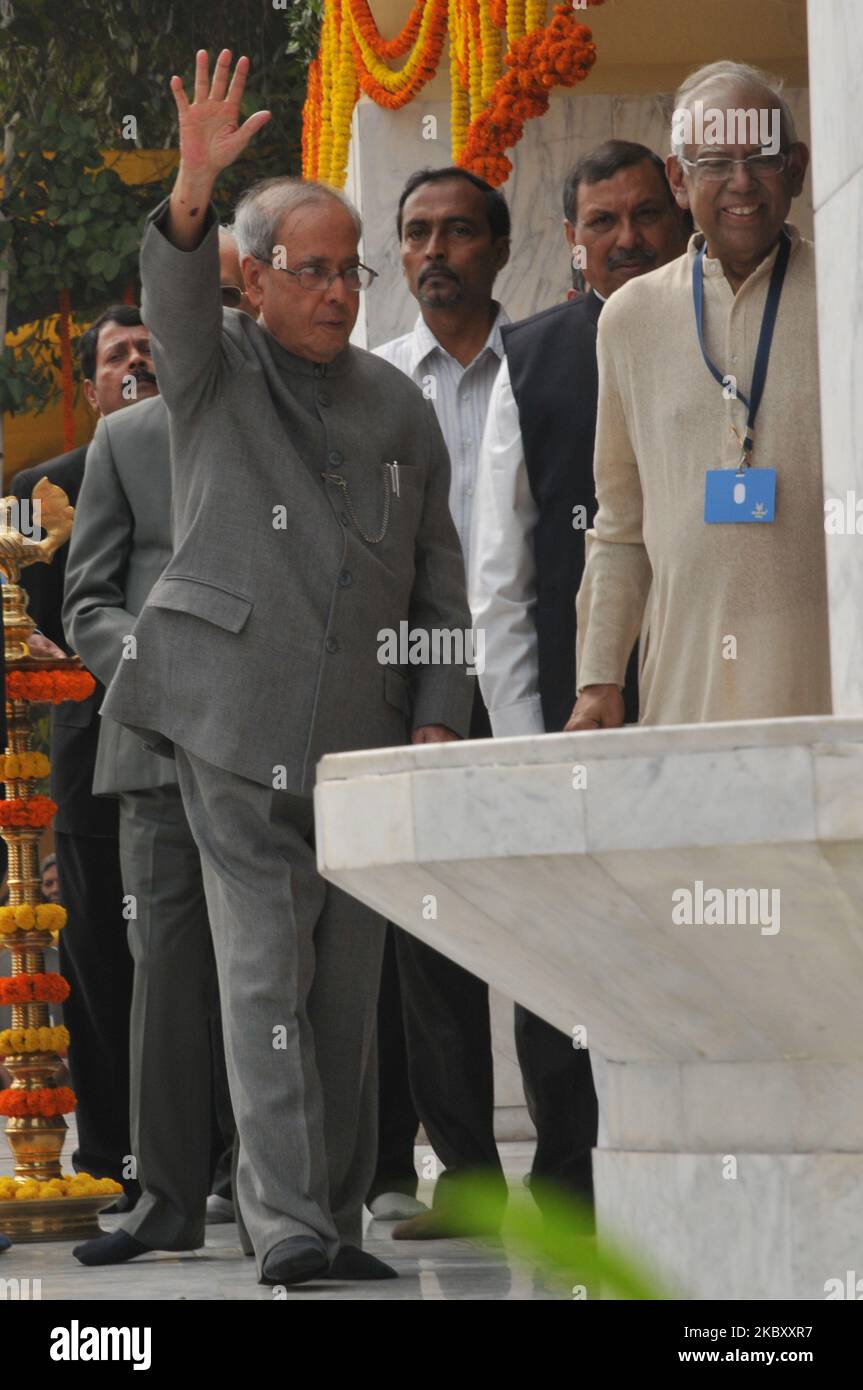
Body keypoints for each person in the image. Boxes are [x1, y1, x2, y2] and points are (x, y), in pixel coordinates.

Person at [100, 49, 473, 1287]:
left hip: (362, 730)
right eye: (309, 270)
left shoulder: (395, 405)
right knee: (265, 966)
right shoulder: (214, 367)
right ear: (252, 279)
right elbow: (170, 292)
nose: (336, 292)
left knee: (344, 988)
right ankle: (290, 1227)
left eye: (348, 269)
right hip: (231, 718)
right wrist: (190, 192)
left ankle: (335, 1222)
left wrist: (434, 709)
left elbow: (439, 578)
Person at [469, 140, 690, 1211]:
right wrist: (523, 746)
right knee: (568, 960)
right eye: (601, 222)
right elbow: (499, 579)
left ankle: (686, 1177)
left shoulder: (721, 331)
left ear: (679, 213)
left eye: (645, 214)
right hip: (572, 716)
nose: (626, 239)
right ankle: (568, 1191)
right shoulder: (530, 357)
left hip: (699, 702)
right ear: (568, 239)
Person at [62, 236, 254, 1268]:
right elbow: (88, 598)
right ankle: (165, 1199)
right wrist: (158, 667)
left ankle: (289, 1200)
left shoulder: (291, 417)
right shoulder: (125, 440)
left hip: (274, 748)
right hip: (157, 749)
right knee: (166, 976)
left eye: (223, 296)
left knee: (278, 975)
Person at [567, 62, 829, 734]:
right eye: (714, 162)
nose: (740, 182)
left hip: (834, 699)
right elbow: (620, 527)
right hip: (687, 704)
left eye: (761, 157)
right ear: (679, 180)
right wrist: (598, 680)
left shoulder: (846, 293)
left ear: (796, 169)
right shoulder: (629, 318)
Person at [371, 166, 512, 1236]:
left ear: (497, 247)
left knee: (563, 919)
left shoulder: (546, 362)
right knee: (429, 941)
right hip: (418, 679)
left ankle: (575, 1173)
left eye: (457, 231)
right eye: (416, 232)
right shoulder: (372, 382)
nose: (434, 251)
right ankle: (465, 1176)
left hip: (532, 676)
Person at [10, 304, 158, 1209]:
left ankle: (216, 1159)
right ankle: (112, 1161)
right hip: (84, 760)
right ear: (92, 387)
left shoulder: (201, 467)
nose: (135, 361)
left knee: (191, 966)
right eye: (116, 355)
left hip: (187, 754)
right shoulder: (41, 491)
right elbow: (21, 636)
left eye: (148, 347)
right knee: (99, 967)